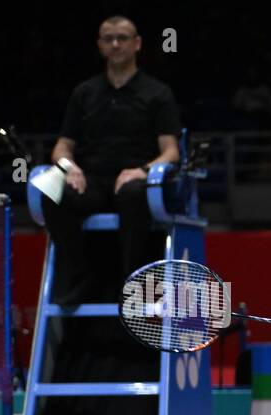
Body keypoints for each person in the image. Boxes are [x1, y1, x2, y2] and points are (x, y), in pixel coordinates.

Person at [43, 15, 181, 306]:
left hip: (133, 184)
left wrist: (142, 171)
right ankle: (80, 278)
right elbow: (62, 148)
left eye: (122, 38)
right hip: (91, 181)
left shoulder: (158, 93)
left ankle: (132, 284)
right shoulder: (84, 93)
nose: (116, 44)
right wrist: (69, 168)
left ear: (137, 44)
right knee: (52, 194)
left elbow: (171, 151)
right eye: (109, 39)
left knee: (132, 194)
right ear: (100, 45)